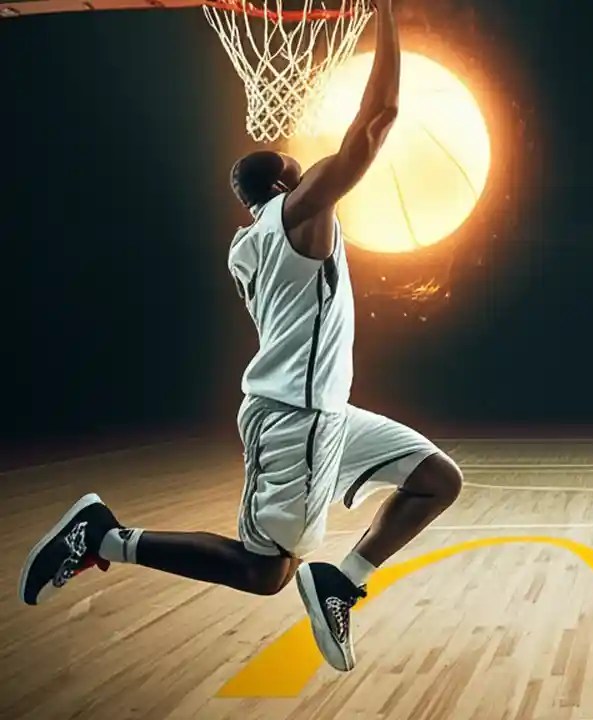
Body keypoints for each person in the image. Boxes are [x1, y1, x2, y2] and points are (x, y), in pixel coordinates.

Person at [18, 0, 463, 673]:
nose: (313, 168)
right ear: (287, 184)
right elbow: (377, 121)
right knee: (264, 572)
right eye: (299, 166)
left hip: (323, 411)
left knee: (435, 479)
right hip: (297, 417)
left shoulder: (251, 240)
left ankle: (340, 581)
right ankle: (102, 537)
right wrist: (386, 14)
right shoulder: (296, 215)